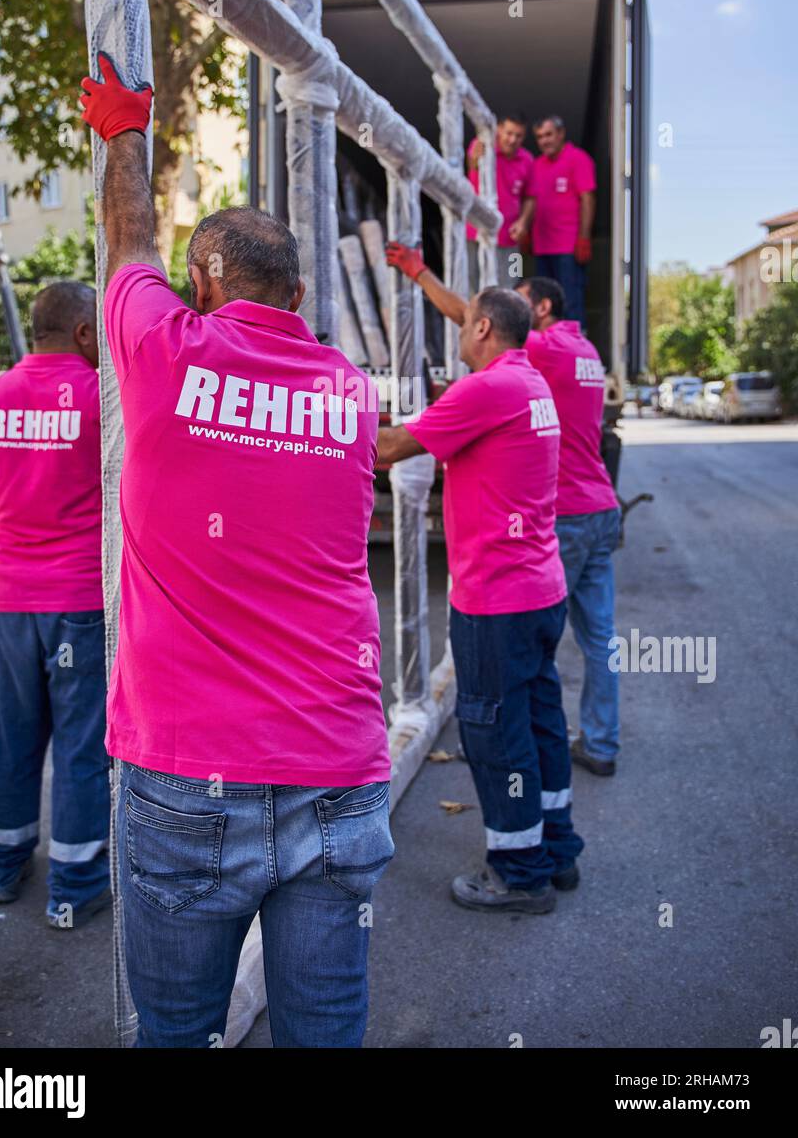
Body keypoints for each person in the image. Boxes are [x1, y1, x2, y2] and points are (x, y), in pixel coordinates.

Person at [80, 53, 393, 1048]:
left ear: (202, 280)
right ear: (299, 293)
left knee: (174, 1033)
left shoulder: (164, 348)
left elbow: (127, 237)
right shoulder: (348, 393)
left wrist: (124, 127)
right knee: (324, 1034)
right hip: (337, 764)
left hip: (188, 773)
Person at [378, 261, 583, 913]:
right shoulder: (530, 382)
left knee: (496, 735)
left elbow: (386, 449)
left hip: (497, 600)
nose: (460, 330)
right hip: (539, 590)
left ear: (485, 329)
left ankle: (520, 873)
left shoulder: (485, 390)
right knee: (541, 720)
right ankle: (558, 850)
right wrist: (422, 274)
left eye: (466, 323)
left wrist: (314, 409)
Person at [0, 281, 111, 927]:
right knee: (81, 742)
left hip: (10, 601)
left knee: (8, 733)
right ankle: (74, 884)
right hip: (80, 602)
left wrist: (6, 544)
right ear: (80, 333)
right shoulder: (105, 401)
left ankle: (1, 865)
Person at [515, 278, 622, 776]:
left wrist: (420, 274)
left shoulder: (550, 347)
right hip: (602, 506)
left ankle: (540, 747)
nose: (513, 307)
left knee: (537, 635)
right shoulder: (586, 351)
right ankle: (600, 745)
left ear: (542, 306)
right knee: (600, 638)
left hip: (571, 513)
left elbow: (480, 324)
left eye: (519, 299)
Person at [510, 115, 596, 325]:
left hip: (568, 248)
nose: (544, 141)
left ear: (561, 134)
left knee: (570, 302)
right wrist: (528, 233)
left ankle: (576, 350)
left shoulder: (578, 158)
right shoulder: (535, 165)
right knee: (543, 306)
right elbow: (530, 201)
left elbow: (588, 198)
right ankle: (551, 351)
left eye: (548, 135)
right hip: (542, 249)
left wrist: (584, 238)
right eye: (539, 137)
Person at [465, 113, 533, 288]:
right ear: (499, 130)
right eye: (509, 133)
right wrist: (474, 158)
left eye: (518, 136)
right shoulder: (483, 147)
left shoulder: (527, 159)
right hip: (476, 234)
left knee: (513, 285)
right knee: (473, 285)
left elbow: (530, 197)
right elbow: (472, 165)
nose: (512, 140)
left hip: (512, 238)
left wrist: (524, 222)